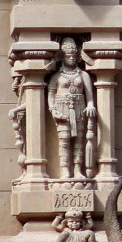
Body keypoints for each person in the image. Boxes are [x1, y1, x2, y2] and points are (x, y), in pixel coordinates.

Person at [49, 36, 97, 180]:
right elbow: (51, 92)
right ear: (62, 57)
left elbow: (89, 95)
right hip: (62, 110)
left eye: (73, 56)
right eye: (68, 56)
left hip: (79, 110)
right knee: (64, 141)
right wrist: (53, 109)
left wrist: (90, 105)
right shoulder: (57, 76)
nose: (71, 58)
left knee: (79, 141)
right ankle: (65, 170)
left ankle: (77, 170)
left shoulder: (84, 75)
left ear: (77, 57)